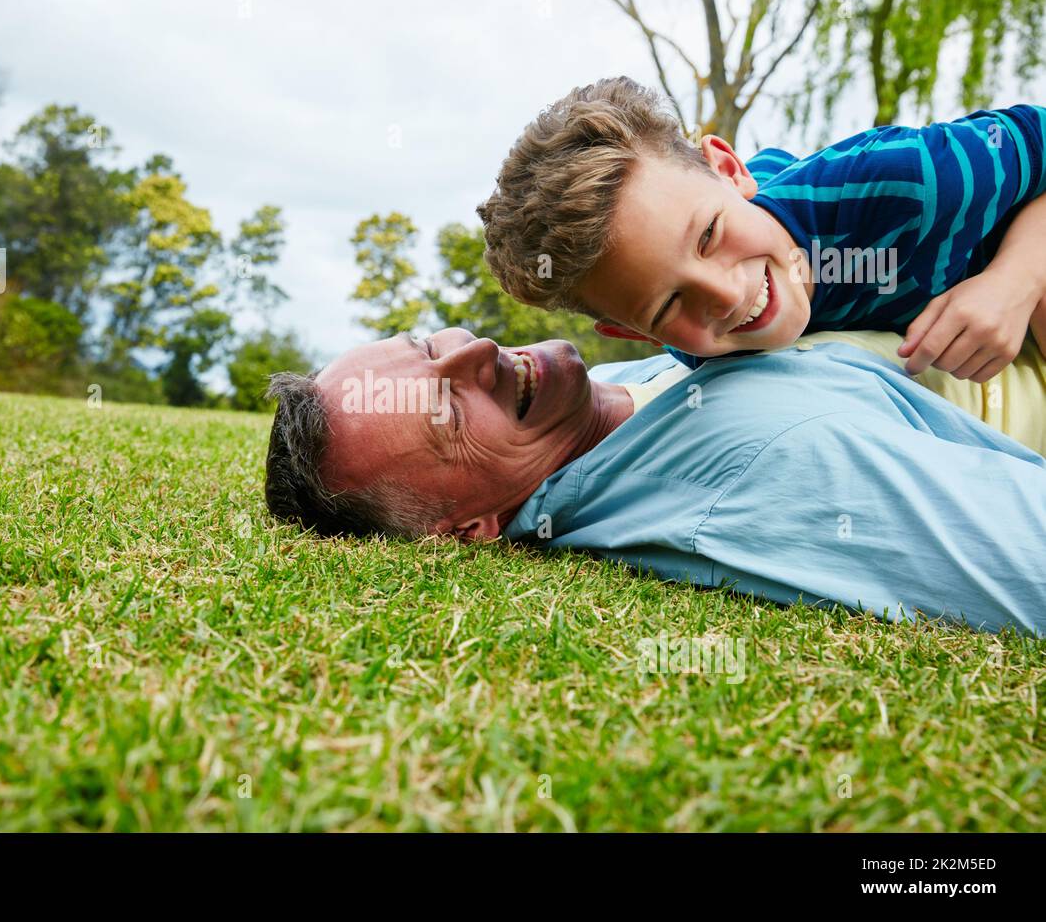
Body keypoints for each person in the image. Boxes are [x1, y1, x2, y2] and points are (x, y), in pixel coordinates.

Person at [265, 327, 1046, 635]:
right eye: (447, 410)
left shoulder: (627, 377)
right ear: (469, 529)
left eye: (428, 344)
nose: (477, 353)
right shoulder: (770, 467)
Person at [476, 77, 1046, 380]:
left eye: (708, 236)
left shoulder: (911, 183)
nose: (726, 295)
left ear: (730, 169)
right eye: (669, 304)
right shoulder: (694, 350)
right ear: (638, 335)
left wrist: (1013, 282)